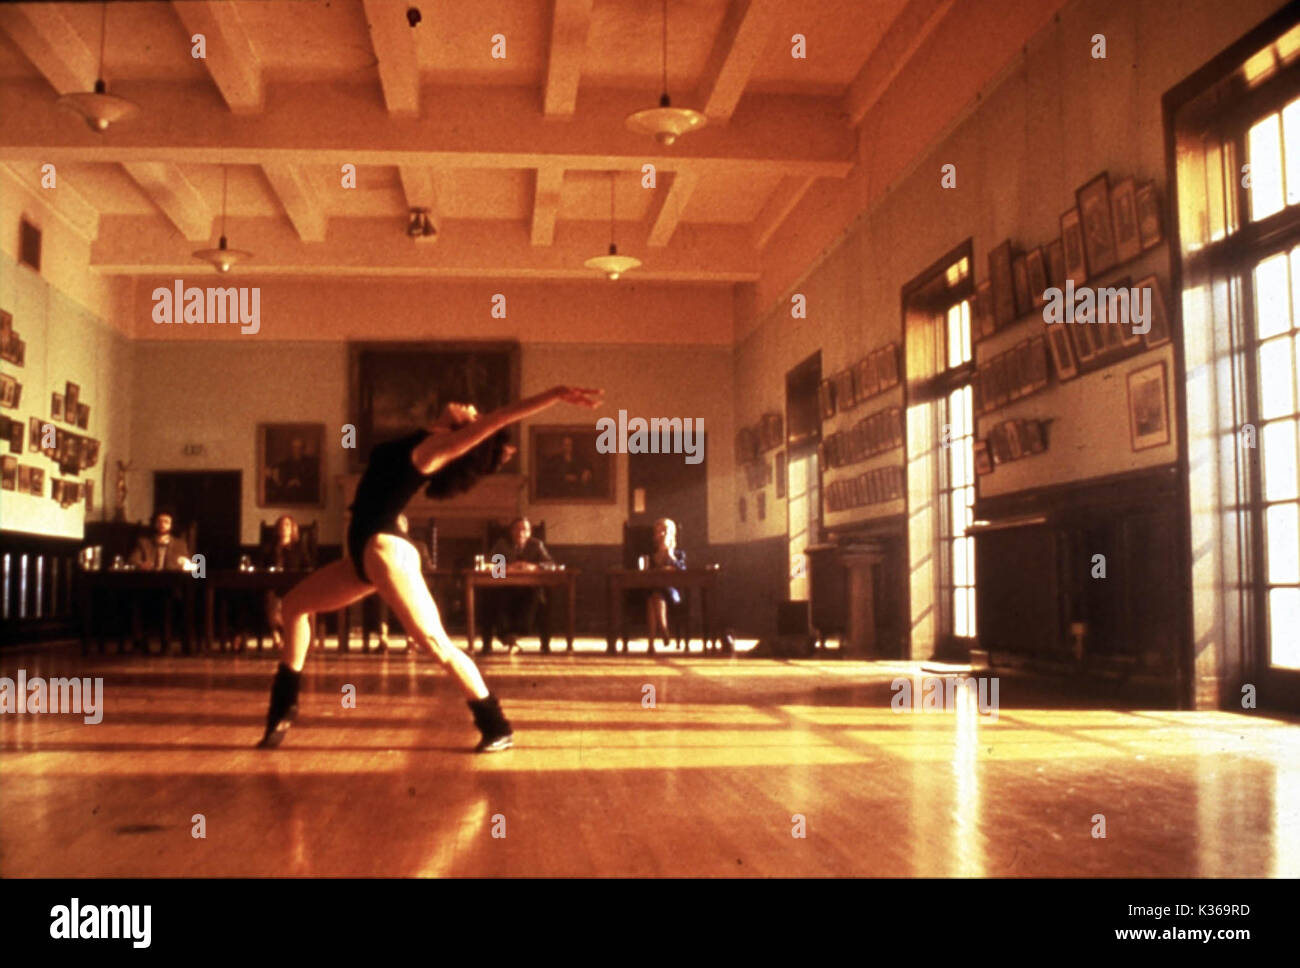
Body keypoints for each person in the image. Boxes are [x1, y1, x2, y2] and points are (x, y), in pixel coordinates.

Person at [256, 384, 603, 753]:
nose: (469, 406)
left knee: (436, 643)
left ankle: (496, 725)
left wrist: (556, 393)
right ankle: (284, 707)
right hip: (362, 553)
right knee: (293, 606)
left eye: (473, 413)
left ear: (467, 430)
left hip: (383, 549)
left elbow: (501, 417)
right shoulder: (426, 437)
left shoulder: (432, 452)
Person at [483, 517, 554, 654]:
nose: (520, 533)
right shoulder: (502, 544)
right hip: (506, 588)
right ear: (511, 531)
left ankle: (513, 637)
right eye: (517, 529)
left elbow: (550, 564)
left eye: (525, 530)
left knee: (534, 598)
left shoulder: (536, 545)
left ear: (530, 532)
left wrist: (534, 567)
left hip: (529, 590)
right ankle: (509, 638)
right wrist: (510, 567)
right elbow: (492, 567)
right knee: (495, 599)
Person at [263, 515, 313, 649]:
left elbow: (307, 566)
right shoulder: (271, 547)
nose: (283, 528)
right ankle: (276, 635)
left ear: (292, 529)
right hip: (274, 586)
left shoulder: (299, 547)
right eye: (281, 525)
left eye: (287, 525)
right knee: (269, 598)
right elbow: (263, 566)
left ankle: (288, 636)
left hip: (293, 586)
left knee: (287, 600)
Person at [646, 517, 687, 652]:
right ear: (654, 536)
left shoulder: (679, 554)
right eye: (659, 531)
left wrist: (671, 556)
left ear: (672, 534)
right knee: (654, 596)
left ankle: (653, 641)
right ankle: (663, 629)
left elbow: (683, 571)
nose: (663, 534)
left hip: (672, 591)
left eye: (666, 531)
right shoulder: (649, 555)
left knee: (654, 598)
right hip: (653, 589)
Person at [266, 435, 319, 504]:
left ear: (303, 449)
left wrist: (300, 482)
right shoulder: (284, 463)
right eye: (294, 447)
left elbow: (314, 482)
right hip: (288, 497)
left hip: (306, 497)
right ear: (291, 448)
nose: (297, 450)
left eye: (299, 448)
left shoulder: (312, 463)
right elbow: (279, 482)